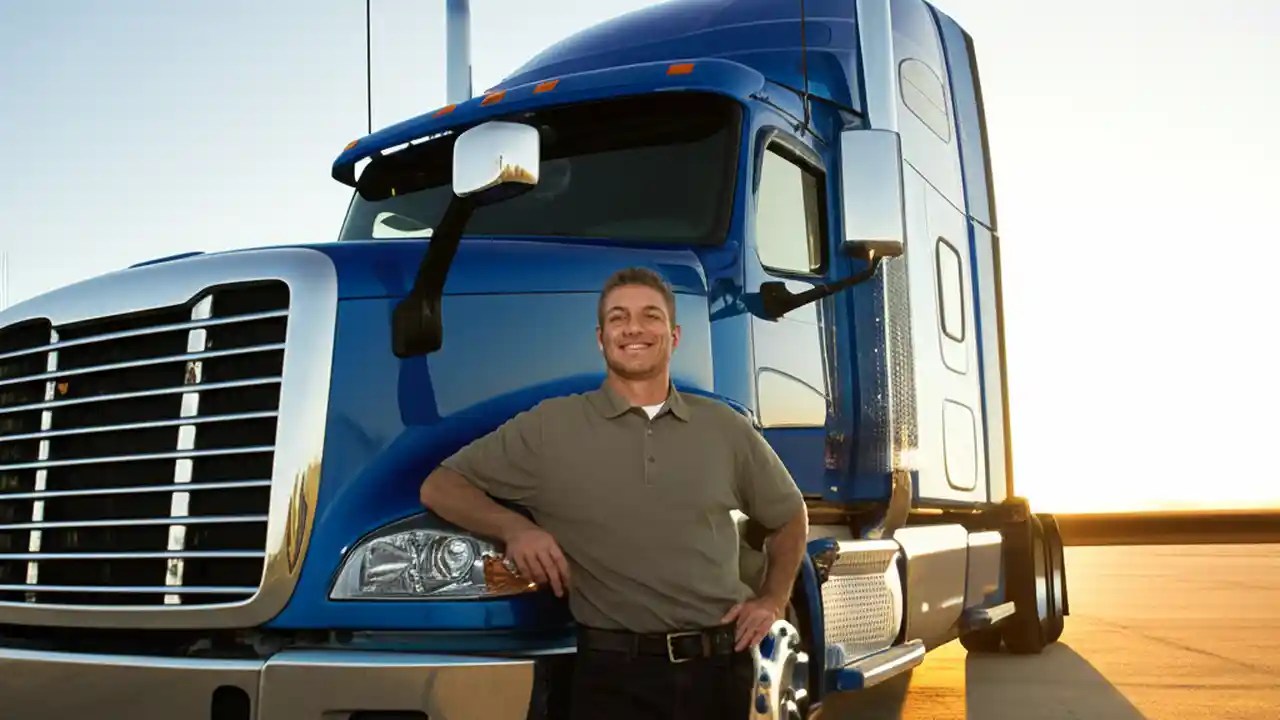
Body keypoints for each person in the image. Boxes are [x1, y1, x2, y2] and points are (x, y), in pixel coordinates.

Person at [419, 266, 809, 720]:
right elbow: (441, 486)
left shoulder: (724, 428)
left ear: (674, 335)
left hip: (720, 669)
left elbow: (788, 516)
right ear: (600, 338)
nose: (634, 328)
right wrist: (515, 529)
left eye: (651, 316)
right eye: (619, 318)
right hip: (611, 678)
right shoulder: (550, 427)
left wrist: (772, 598)